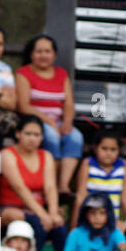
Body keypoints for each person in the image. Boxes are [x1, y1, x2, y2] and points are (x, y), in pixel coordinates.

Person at [16, 33, 83, 195]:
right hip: (35, 122)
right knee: (52, 137)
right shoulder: (23, 73)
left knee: (75, 137)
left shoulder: (61, 74)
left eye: (47, 51)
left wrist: (67, 122)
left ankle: (63, 185)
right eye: (39, 51)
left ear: (54, 55)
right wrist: (49, 122)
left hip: (58, 122)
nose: (43, 55)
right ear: (32, 54)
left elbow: (68, 104)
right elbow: (24, 106)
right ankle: (50, 185)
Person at [0, 114, 68, 251]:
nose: (32, 138)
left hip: (39, 210)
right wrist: (44, 215)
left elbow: (50, 188)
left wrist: (53, 213)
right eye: (28, 134)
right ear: (18, 134)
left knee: (59, 226)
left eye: (36, 134)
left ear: (42, 137)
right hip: (11, 208)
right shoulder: (7, 154)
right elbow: (20, 188)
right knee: (39, 223)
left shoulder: (46, 156)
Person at [74, 132, 126, 230]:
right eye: (104, 149)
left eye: (113, 149)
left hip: (113, 221)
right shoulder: (88, 164)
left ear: (119, 150)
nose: (108, 153)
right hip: (91, 220)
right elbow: (81, 196)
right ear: (95, 148)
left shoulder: (123, 165)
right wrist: (75, 227)